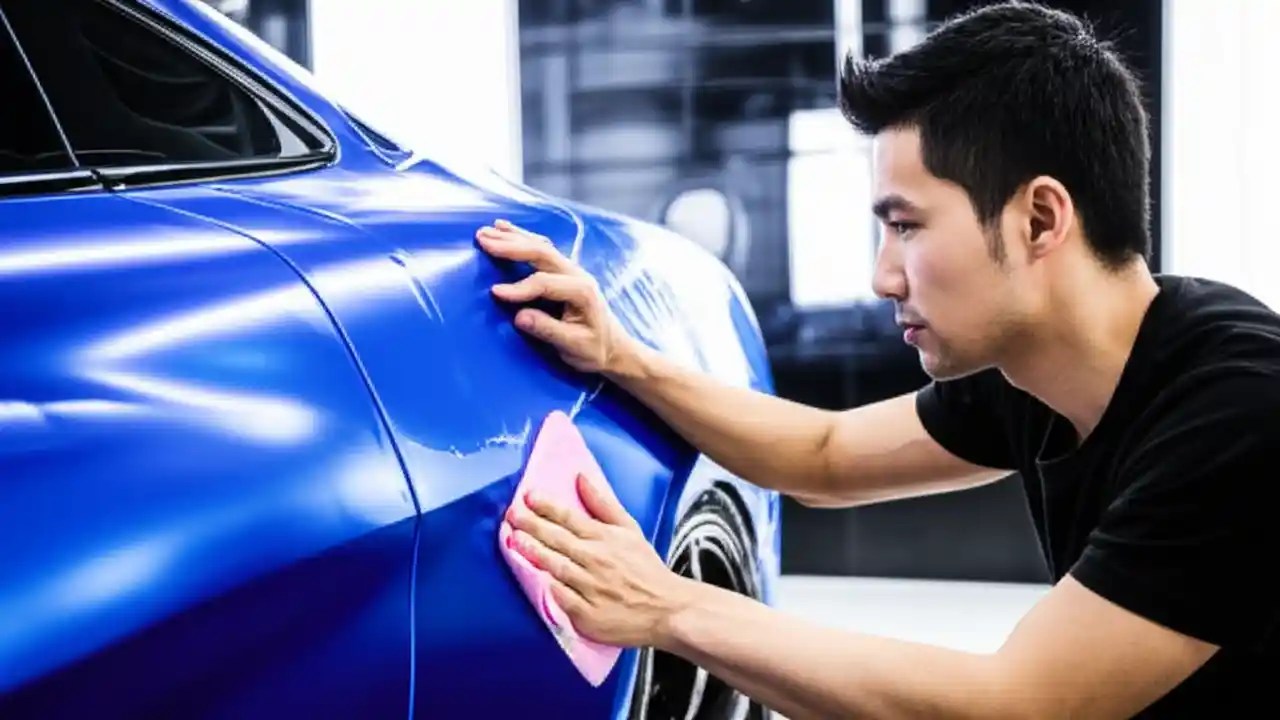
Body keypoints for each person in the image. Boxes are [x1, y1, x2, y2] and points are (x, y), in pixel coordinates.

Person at [477, 2, 1280, 717]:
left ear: (1040, 218)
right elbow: (822, 458)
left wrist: (670, 608)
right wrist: (621, 354)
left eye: (907, 226)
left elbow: (1024, 705)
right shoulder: (1036, 366)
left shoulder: (1241, 409)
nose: (881, 275)